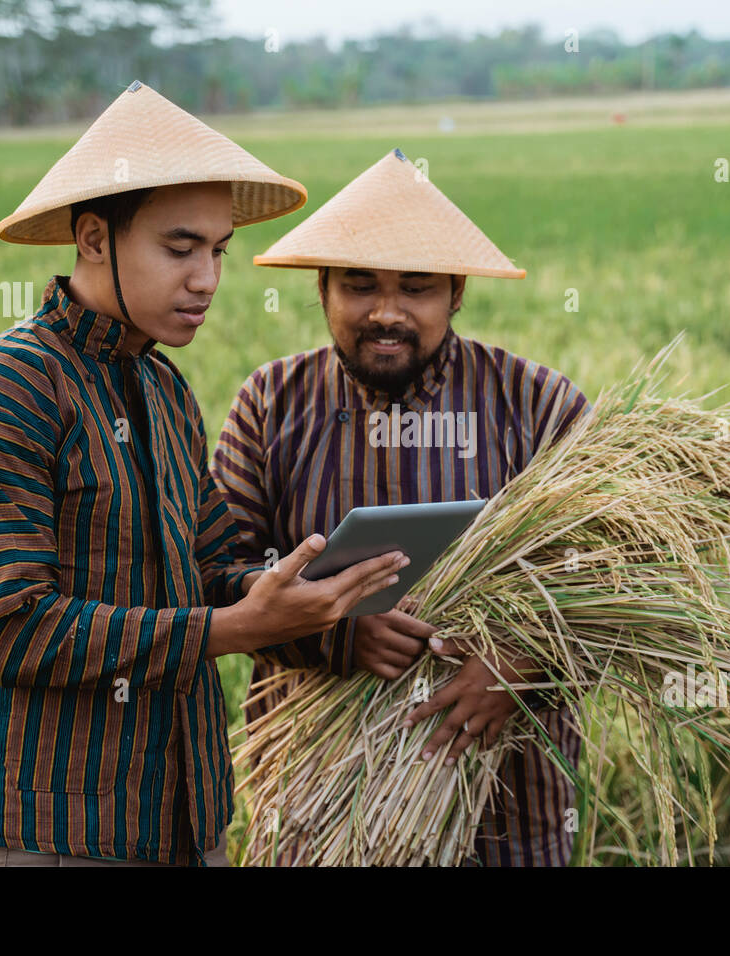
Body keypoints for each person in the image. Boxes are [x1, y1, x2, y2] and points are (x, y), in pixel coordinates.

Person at [0, 82, 407, 868]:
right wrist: (233, 630)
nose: (207, 278)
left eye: (217, 251)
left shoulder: (162, 387)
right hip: (51, 834)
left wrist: (314, 605)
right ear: (91, 237)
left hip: (188, 819)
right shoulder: (0, 390)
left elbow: (215, 563)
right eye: (180, 248)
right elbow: (17, 628)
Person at [212, 148, 589, 866]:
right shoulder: (269, 404)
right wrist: (332, 631)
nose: (387, 313)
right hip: (314, 799)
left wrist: (521, 664)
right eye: (360, 287)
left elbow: (620, 578)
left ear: (455, 292)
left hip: (506, 803)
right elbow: (218, 574)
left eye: (415, 288)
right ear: (322, 290)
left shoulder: (538, 405)